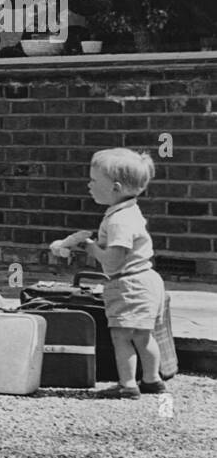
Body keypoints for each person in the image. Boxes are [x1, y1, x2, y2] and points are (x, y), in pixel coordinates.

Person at [59, 148, 167, 399]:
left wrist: (89, 246)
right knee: (142, 335)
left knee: (122, 336)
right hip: (146, 278)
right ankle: (152, 379)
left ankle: (128, 385)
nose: (89, 185)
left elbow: (114, 260)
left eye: (94, 181)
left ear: (115, 188)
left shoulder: (119, 220)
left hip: (129, 284)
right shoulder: (129, 211)